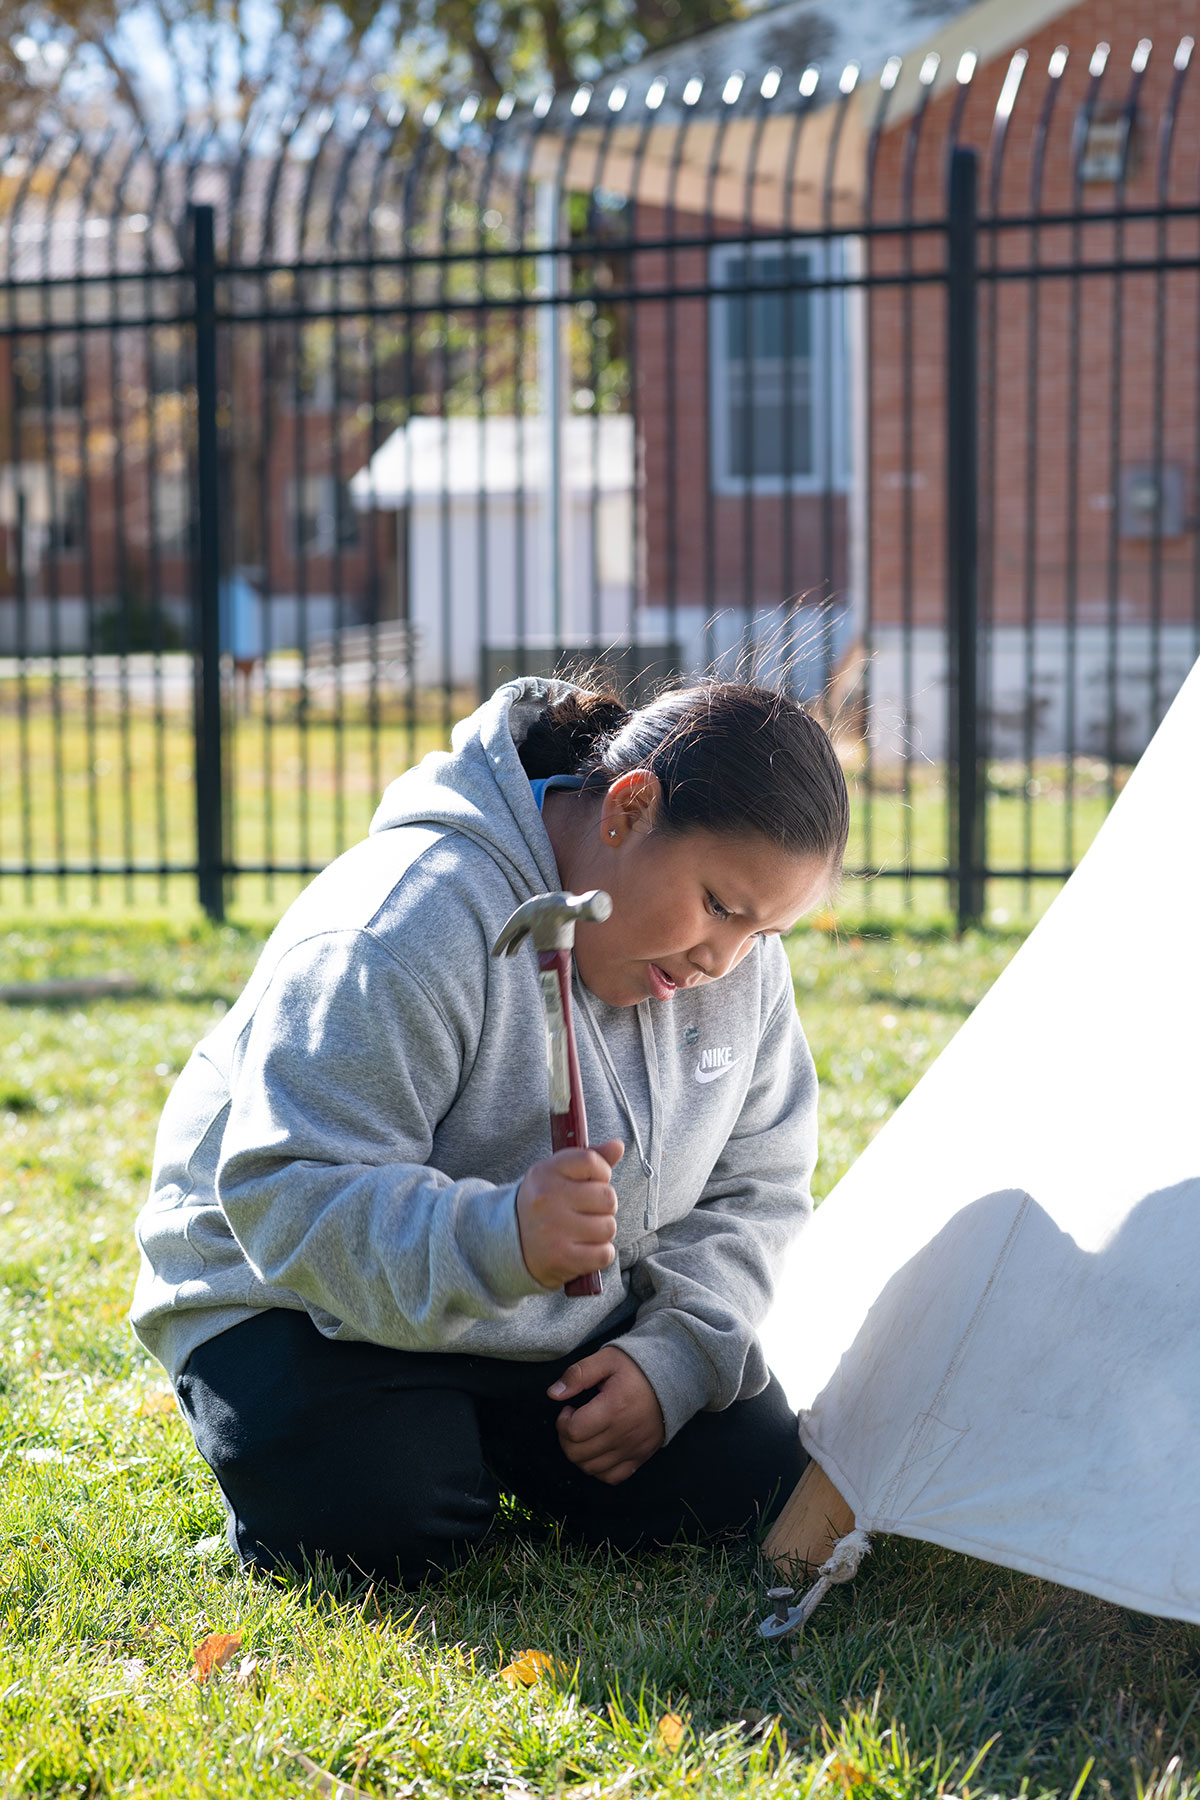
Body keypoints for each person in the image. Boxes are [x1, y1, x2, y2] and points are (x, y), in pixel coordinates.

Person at [130, 675, 849, 1584]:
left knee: (744, 1483)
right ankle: (422, 1445)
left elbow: (759, 1186)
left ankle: (477, 1432)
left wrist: (670, 1360)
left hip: (554, 1310)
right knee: (384, 1522)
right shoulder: (398, 922)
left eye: (766, 931)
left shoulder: (734, 964)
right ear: (628, 808)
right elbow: (287, 1191)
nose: (724, 961)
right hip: (298, 1299)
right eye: (719, 905)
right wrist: (499, 1236)